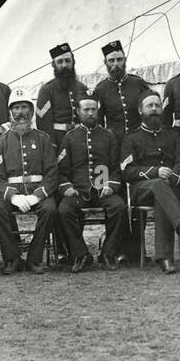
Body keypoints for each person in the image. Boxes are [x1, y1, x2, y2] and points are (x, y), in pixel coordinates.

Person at [0, 86, 61, 275]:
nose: (21, 113)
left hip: (38, 192)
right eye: (16, 108)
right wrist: (13, 197)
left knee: (50, 209)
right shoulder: (1, 142)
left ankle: (34, 258)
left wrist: (36, 197)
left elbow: (52, 174)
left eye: (24, 107)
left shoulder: (43, 139)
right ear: (10, 111)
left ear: (31, 110)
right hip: (13, 193)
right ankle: (12, 258)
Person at [123, 92, 180, 274]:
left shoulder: (173, 136)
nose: (154, 109)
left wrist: (172, 176)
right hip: (141, 189)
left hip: (168, 188)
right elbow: (127, 171)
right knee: (158, 185)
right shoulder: (131, 138)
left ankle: (165, 259)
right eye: (150, 106)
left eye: (157, 105)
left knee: (161, 196)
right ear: (141, 110)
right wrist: (156, 172)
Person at [57, 97, 127, 272]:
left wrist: (111, 185)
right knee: (64, 211)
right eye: (86, 110)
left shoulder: (108, 136)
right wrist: (67, 187)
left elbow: (116, 168)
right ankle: (81, 254)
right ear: (78, 112)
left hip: (103, 190)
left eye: (93, 109)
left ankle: (108, 253)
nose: (90, 113)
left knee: (119, 207)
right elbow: (62, 170)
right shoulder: (70, 138)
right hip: (78, 192)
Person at [94, 40, 154, 141]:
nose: (116, 64)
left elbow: (150, 112)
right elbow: (98, 123)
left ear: (125, 60)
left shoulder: (138, 83)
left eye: (119, 59)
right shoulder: (100, 89)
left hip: (139, 141)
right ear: (105, 62)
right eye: (111, 60)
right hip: (114, 143)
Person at [35, 43, 90, 148]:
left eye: (67, 61)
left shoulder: (82, 88)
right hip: (59, 143)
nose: (64, 65)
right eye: (60, 62)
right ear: (53, 65)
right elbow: (43, 123)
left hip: (81, 142)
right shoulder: (46, 90)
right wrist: (51, 146)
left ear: (73, 62)